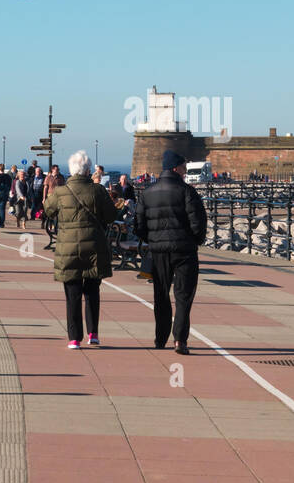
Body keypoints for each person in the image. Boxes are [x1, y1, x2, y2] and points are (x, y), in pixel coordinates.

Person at [134, 149, 207, 354]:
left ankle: (160, 338)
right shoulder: (187, 191)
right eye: (183, 167)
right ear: (176, 168)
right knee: (183, 295)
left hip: (158, 251)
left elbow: (138, 224)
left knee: (161, 294)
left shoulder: (147, 192)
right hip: (184, 250)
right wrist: (195, 240)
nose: (185, 171)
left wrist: (151, 239)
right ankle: (180, 340)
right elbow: (198, 221)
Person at [44, 150, 118, 348]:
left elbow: (48, 211)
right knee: (93, 291)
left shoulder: (61, 191)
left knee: (72, 293)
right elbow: (111, 216)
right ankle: (93, 333)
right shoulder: (98, 191)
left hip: (68, 249)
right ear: (87, 171)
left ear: (71, 170)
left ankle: (74, 338)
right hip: (94, 246)